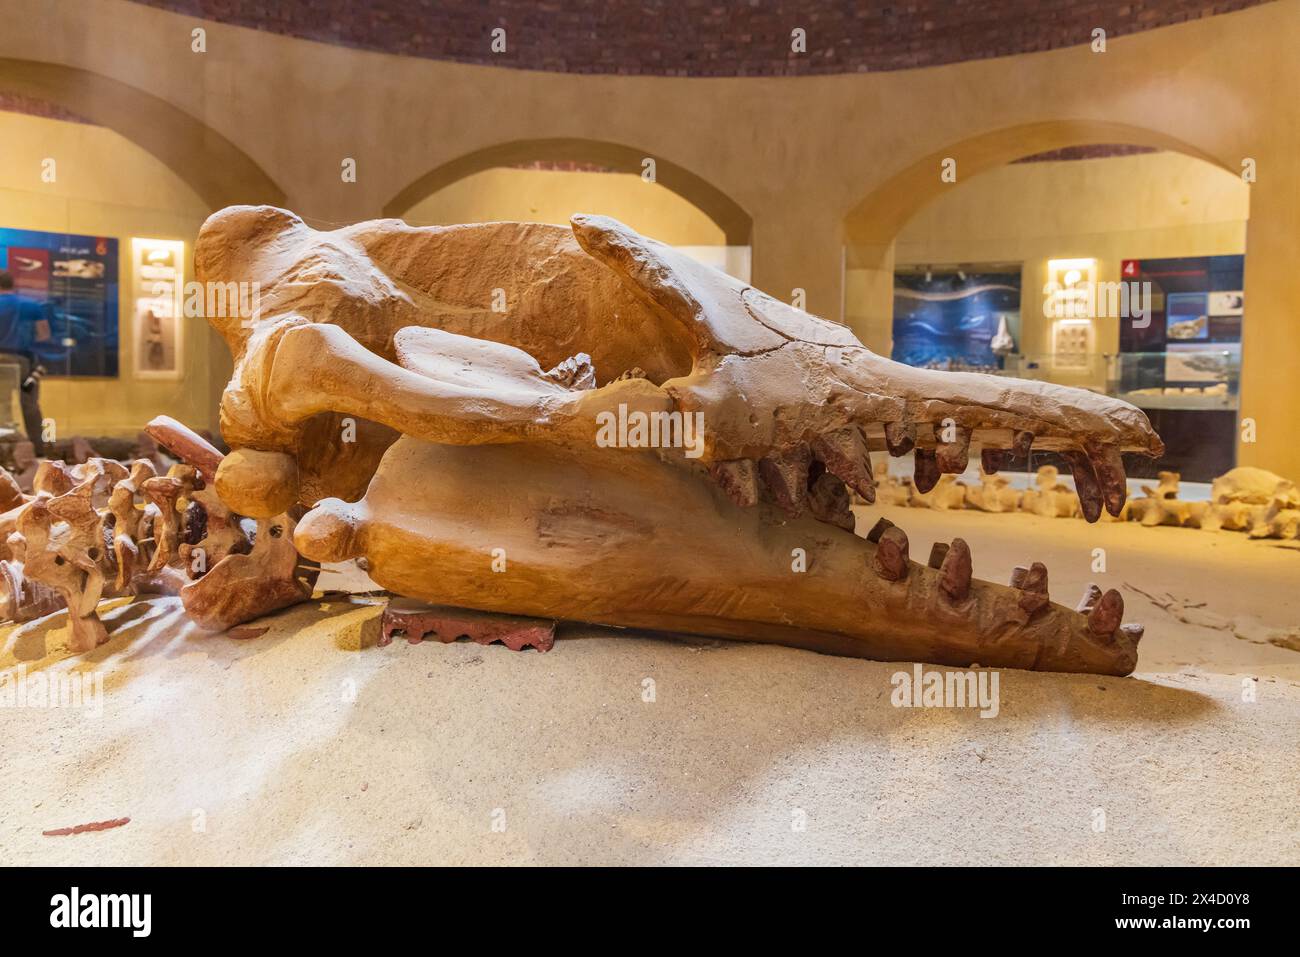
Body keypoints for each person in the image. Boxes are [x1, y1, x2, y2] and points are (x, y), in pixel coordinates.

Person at [0, 270, 48, 455]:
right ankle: (39, 450)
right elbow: (44, 334)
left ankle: (6, 452)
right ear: (13, 284)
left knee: (2, 407)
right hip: (23, 361)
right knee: (30, 407)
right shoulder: (31, 305)